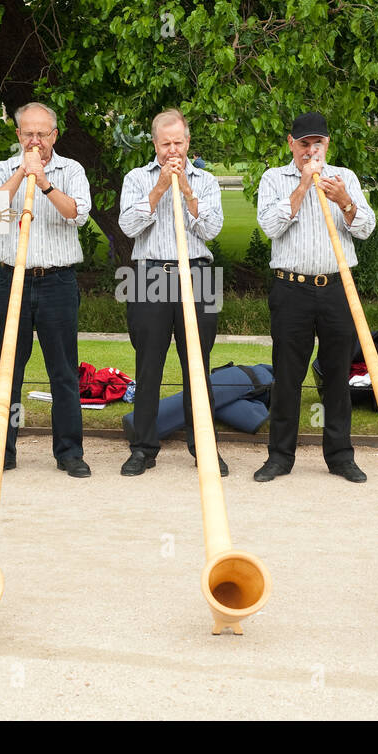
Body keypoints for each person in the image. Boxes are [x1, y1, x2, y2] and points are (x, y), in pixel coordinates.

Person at [254, 111, 377, 484]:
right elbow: (270, 226)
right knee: (288, 375)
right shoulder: (274, 178)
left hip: (338, 288)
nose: (311, 151)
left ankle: (340, 456)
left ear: (328, 144)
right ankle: (280, 457)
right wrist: (303, 187)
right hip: (291, 289)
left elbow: (367, 228)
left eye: (317, 143)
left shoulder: (347, 179)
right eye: (304, 144)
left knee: (337, 375)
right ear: (291, 144)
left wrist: (345, 202)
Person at [0, 102, 93, 478]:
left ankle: (69, 452)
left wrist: (44, 181)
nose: (35, 141)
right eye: (28, 134)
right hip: (11, 279)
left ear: (54, 136)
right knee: (7, 371)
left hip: (57, 281)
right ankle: (1, 449)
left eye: (42, 134)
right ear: (18, 135)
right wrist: (21, 173)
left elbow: (76, 213)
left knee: (62, 372)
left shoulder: (72, 170)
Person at [118, 108, 227, 477]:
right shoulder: (136, 178)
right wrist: (161, 187)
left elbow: (212, 229)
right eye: (165, 144)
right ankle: (143, 449)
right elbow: (128, 225)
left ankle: (205, 449)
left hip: (198, 275)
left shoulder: (207, 181)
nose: (172, 150)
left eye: (178, 142)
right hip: (149, 274)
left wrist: (186, 191)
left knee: (198, 365)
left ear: (188, 142)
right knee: (148, 366)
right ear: (154, 144)